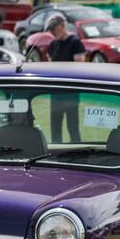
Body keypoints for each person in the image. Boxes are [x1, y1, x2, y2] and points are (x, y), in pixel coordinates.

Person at [45, 14, 86, 143]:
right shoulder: (52, 44)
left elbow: (79, 68)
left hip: (70, 92)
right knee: (55, 127)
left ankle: (77, 156)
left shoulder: (75, 42)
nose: (51, 32)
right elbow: (50, 66)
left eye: (54, 28)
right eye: (50, 29)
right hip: (55, 92)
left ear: (63, 26)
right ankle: (56, 156)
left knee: (72, 127)